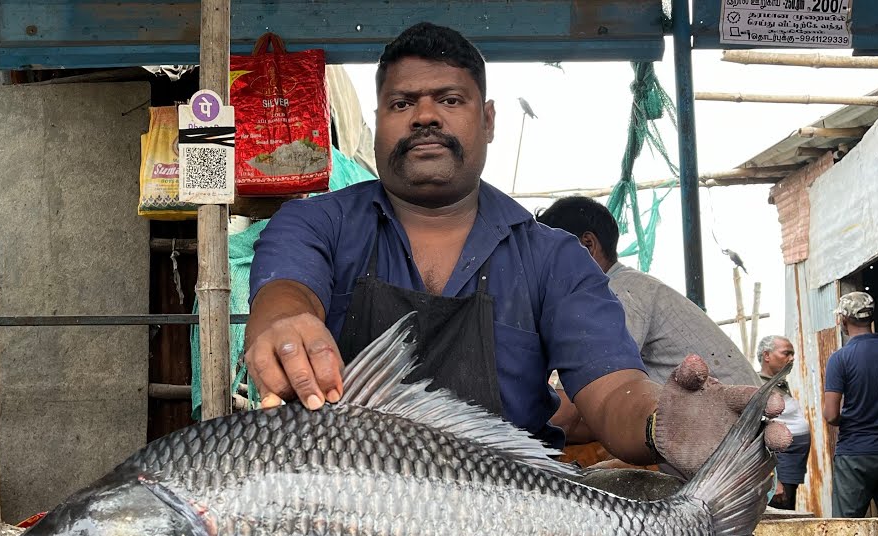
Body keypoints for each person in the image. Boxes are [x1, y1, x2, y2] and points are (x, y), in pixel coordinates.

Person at [244, 22, 789, 478]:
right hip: (340, 515)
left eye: (450, 100)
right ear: (380, 121)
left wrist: (660, 421)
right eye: (401, 102)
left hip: (518, 523)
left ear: (488, 120)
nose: (425, 116)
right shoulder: (314, 223)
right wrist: (285, 327)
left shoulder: (555, 259)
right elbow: (285, 296)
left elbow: (612, 390)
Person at [536, 196, 759, 387]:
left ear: (587, 245)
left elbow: (578, 405)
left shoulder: (616, 294)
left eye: (549, 258)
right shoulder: (629, 285)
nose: (544, 273)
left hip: (737, 418)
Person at [822, 292, 878, 520]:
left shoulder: (840, 359)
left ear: (843, 320)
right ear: (871, 317)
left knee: (846, 528)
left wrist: (852, 417)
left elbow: (831, 415)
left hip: (855, 454)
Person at [758, 335, 810, 510]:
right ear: (767, 355)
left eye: (793, 354)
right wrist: (772, 478)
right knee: (779, 514)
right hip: (778, 471)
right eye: (786, 353)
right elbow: (755, 436)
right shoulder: (758, 385)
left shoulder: (778, 384)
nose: (792, 358)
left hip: (789, 468)